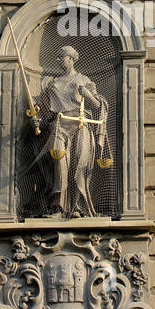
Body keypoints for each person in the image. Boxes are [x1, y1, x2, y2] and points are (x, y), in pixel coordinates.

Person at [32, 46, 109, 217]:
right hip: (59, 125)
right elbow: (43, 109)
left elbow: (96, 105)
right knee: (59, 164)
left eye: (62, 57)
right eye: (57, 57)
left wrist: (87, 95)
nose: (58, 60)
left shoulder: (83, 79)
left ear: (72, 59)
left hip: (80, 125)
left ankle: (77, 208)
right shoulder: (52, 83)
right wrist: (36, 119)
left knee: (79, 165)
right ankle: (58, 208)